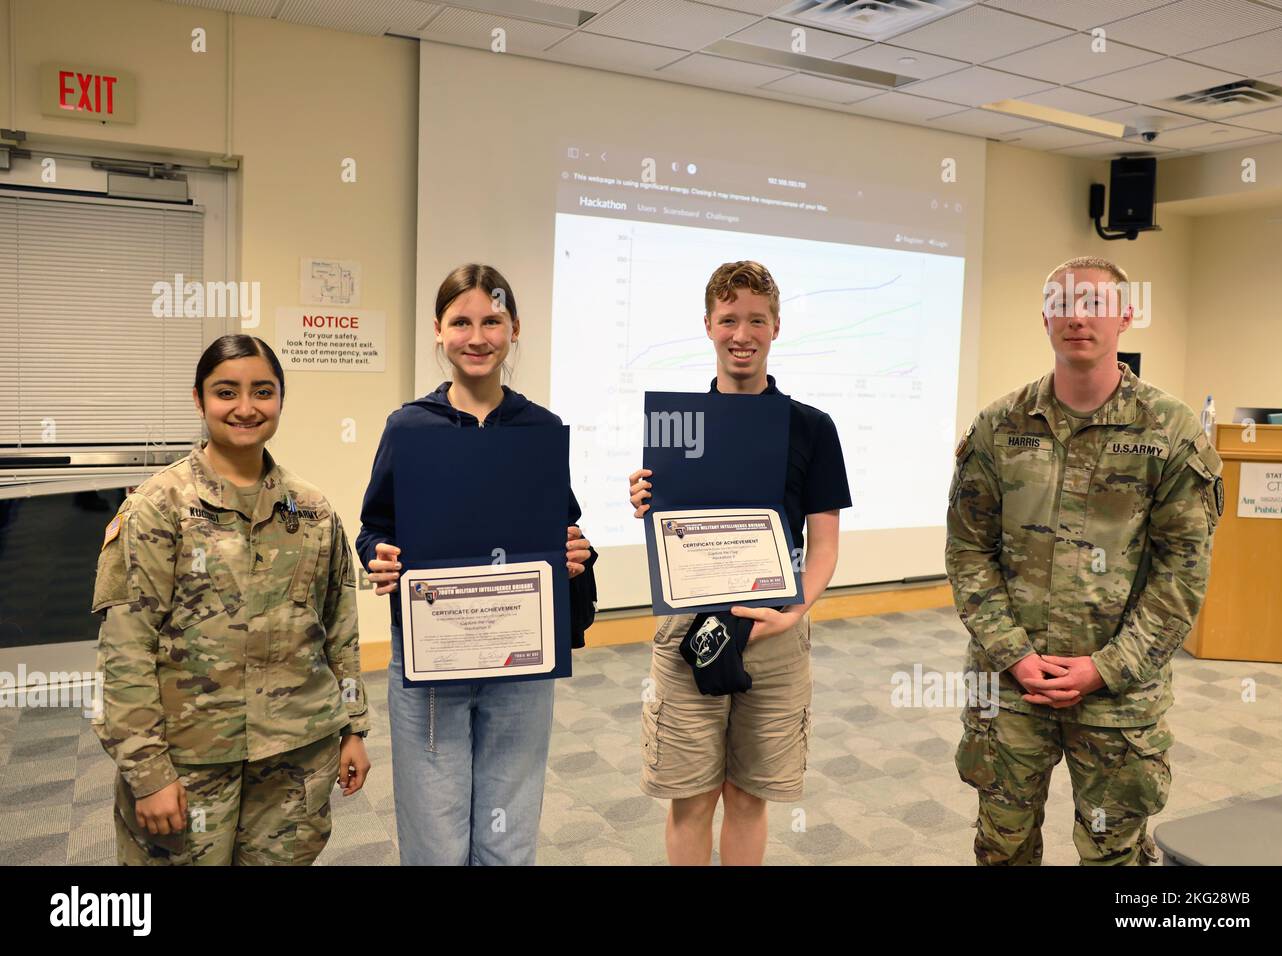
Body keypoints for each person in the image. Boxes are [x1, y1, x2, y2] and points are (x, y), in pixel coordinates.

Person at [947, 255, 1224, 865]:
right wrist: (1014, 655)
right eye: (1064, 304)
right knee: (1003, 848)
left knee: (1114, 855)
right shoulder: (999, 427)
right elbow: (969, 553)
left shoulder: (1170, 432)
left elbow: (1183, 571)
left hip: (1119, 692)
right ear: (1045, 317)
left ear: (1126, 316)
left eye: (1096, 304)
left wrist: (1108, 666)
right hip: (1010, 684)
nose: (1079, 318)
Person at [91, 334, 371, 866]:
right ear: (199, 400)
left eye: (262, 392)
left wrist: (353, 727)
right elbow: (125, 655)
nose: (245, 408)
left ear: (281, 400)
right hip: (190, 763)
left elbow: (340, 628)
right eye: (226, 392)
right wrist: (148, 774)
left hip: (296, 754)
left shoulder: (311, 509)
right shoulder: (158, 509)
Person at [358, 263, 598, 866]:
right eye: (461, 321)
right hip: (432, 655)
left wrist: (576, 554)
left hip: (519, 658)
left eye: (492, 320)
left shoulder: (538, 429)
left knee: (508, 829)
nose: (477, 336)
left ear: (514, 328)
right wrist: (377, 557)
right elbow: (374, 528)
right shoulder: (410, 427)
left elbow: (561, 530)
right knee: (435, 835)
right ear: (438, 331)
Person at [627, 260, 851, 865]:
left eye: (756, 319)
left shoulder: (811, 428)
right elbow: (671, 529)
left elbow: (825, 544)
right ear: (708, 325)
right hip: (688, 630)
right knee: (691, 798)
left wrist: (794, 612)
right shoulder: (678, 426)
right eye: (729, 319)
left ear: (776, 326)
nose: (742, 334)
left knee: (750, 796)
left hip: (776, 633)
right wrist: (647, 501)